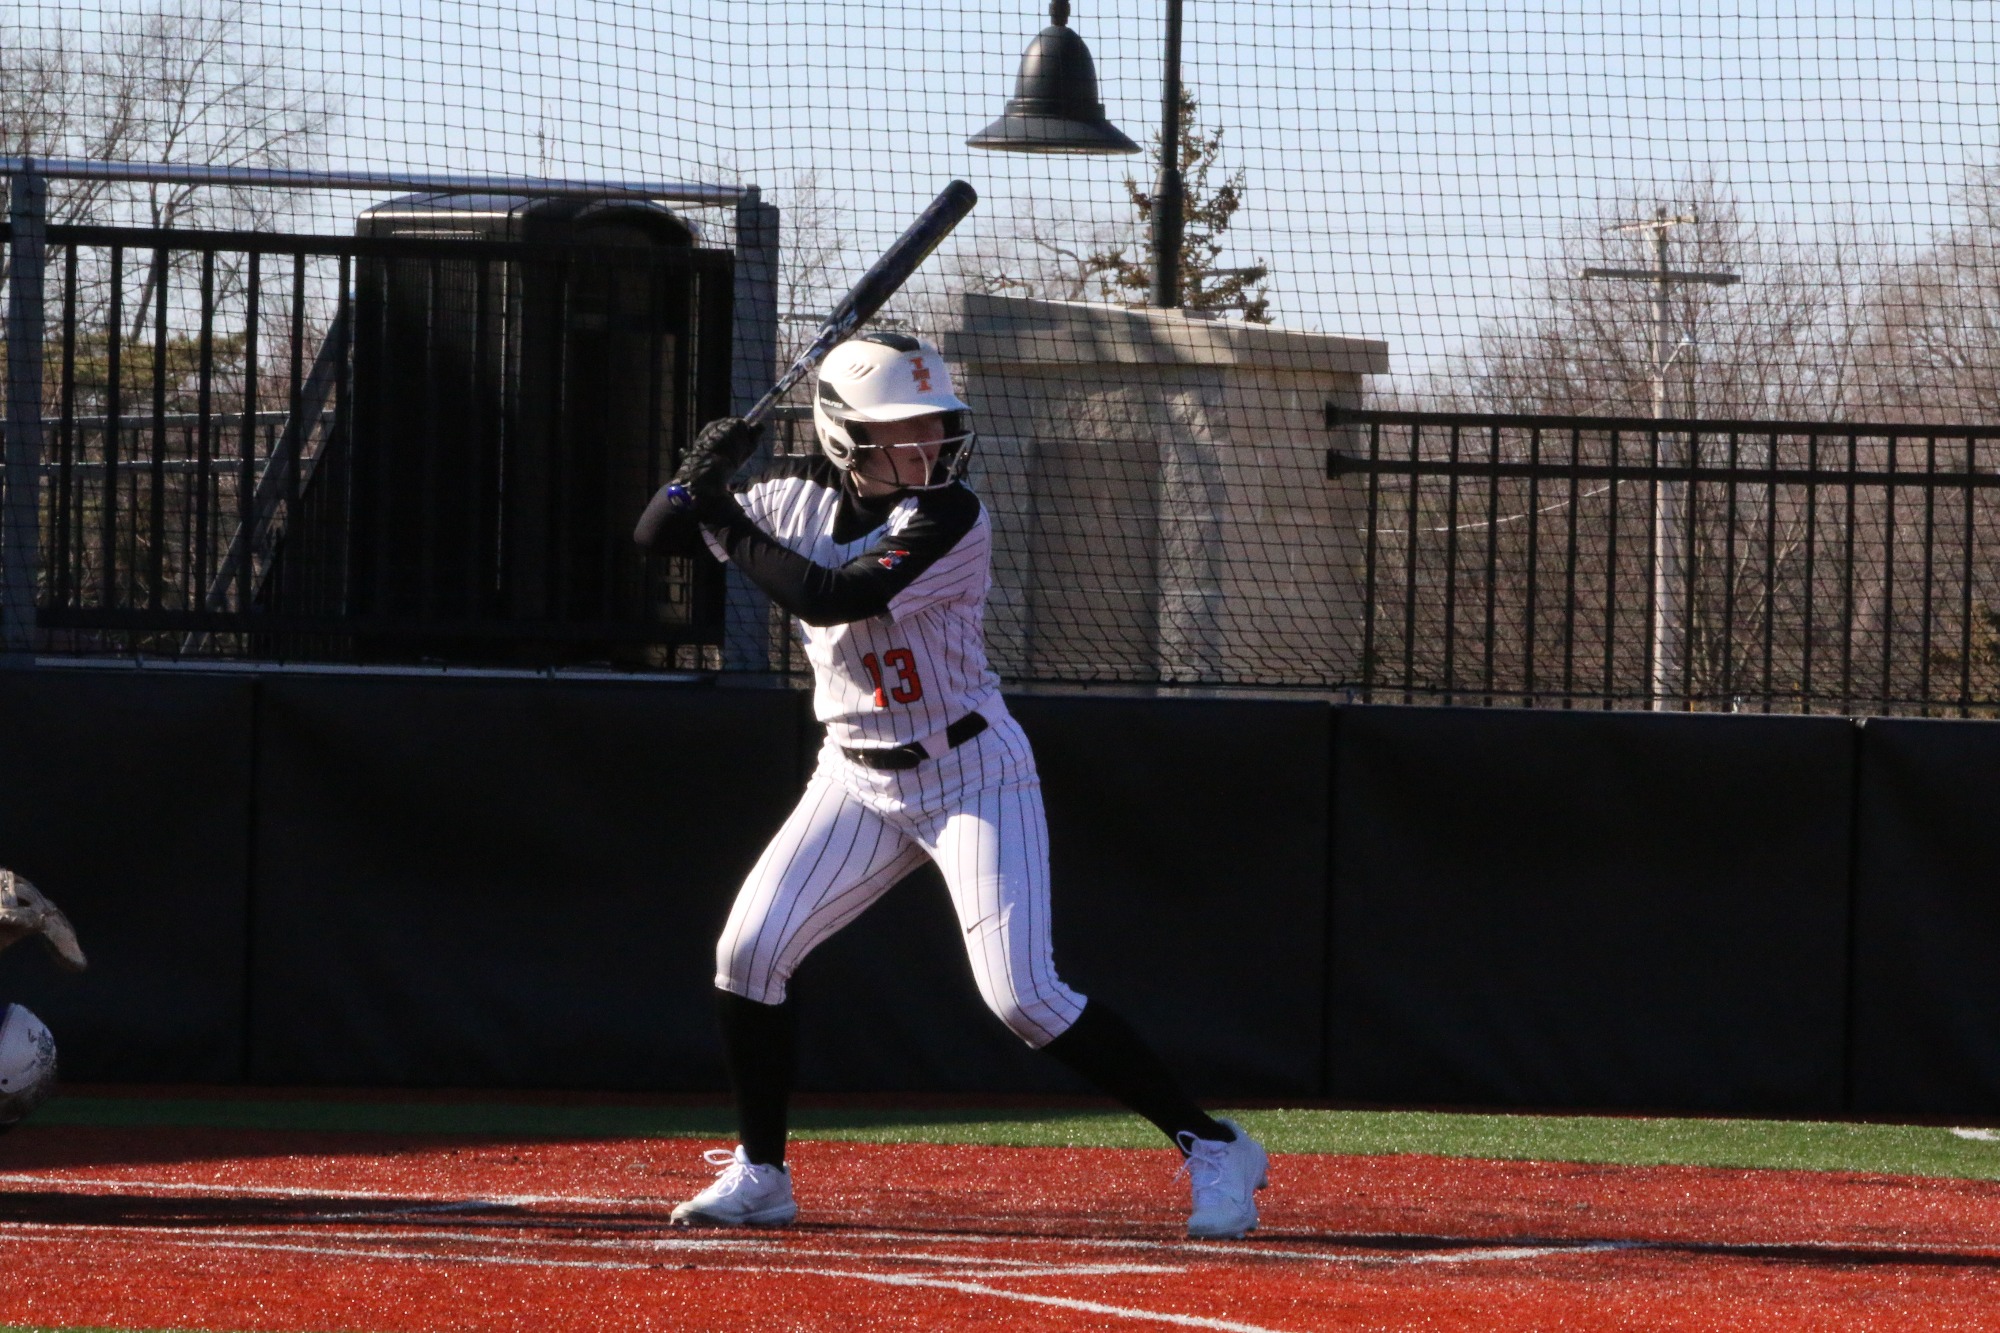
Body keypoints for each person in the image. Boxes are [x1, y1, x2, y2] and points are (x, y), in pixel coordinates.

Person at [635, 332, 1268, 1239]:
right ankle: (763, 1172)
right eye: (902, 428)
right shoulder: (790, 495)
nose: (927, 443)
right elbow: (654, 533)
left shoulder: (953, 517)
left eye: (934, 424)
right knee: (748, 952)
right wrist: (698, 474)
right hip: (854, 774)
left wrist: (721, 511)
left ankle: (1213, 1144)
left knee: (1024, 996)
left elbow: (833, 595)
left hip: (972, 770)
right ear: (846, 434)